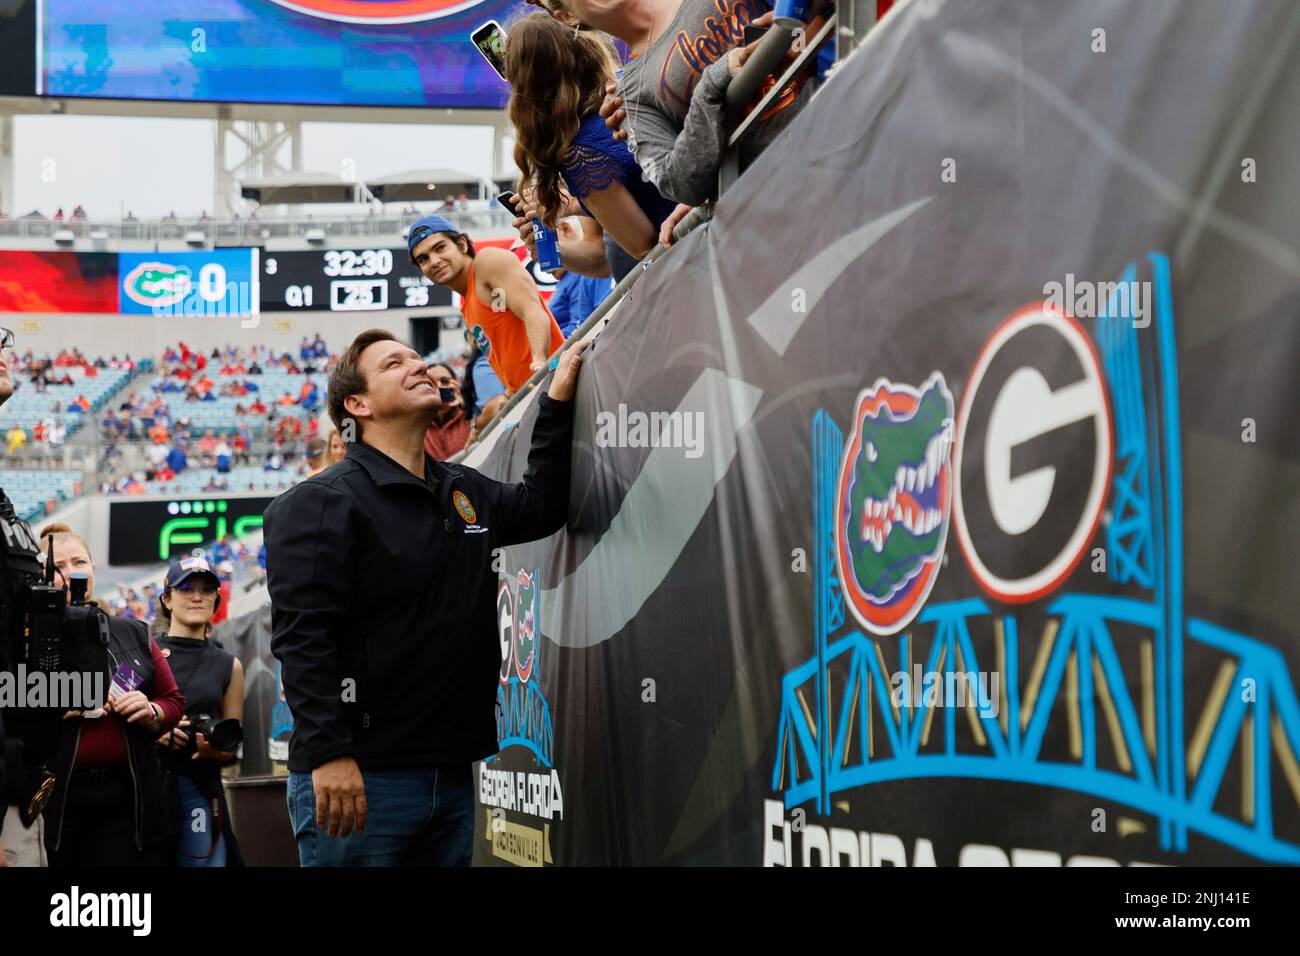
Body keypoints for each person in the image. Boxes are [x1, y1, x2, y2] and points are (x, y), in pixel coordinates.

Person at [264, 329, 586, 866]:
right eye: (394, 364)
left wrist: (555, 403)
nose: (420, 367)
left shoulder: (464, 489)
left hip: (453, 776)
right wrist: (329, 753)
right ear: (357, 404)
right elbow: (304, 638)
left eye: (418, 357)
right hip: (363, 779)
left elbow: (542, 507)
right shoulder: (318, 502)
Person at [535, 0, 828, 206]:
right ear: (567, 17)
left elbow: (818, 13)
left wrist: (792, 35)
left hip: (841, 115)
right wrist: (713, 84)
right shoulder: (627, 97)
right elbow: (678, 182)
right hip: (784, 193)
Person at [35, 524, 186, 867]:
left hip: (126, 798)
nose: (72, 573)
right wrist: (53, 705)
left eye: (80, 562)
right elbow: (9, 698)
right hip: (53, 800)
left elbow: (173, 701)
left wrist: (151, 711)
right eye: (59, 565)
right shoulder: (26, 635)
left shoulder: (131, 630)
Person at [504, 11, 678, 275]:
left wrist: (570, 206)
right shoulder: (629, 83)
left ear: (526, 89)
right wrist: (572, 207)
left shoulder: (583, 153)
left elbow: (643, 246)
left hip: (697, 255)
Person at [154, 557, 245, 867]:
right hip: (147, 788)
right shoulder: (141, 650)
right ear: (166, 598)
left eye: (207, 590)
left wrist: (214, 750)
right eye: (186, 588)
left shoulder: (229, 665)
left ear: (216, 599)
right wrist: (155, 728)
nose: (197, 596)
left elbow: (233, 748)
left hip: (200, 790)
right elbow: (111, 710)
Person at [407, 215, 564, 393]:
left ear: (462, 245)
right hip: (534, 394)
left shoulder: (486, 262)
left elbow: (532, 311)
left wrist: (539, 362)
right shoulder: (467, 304)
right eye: (423, 259)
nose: (434, 261)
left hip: (553, 379)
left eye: (440, 248)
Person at [423, 363, 471, 460]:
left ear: (456, 384)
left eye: (445, 381)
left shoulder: (470, 416)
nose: (439, 386)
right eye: (433, 382)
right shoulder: (417, 424)